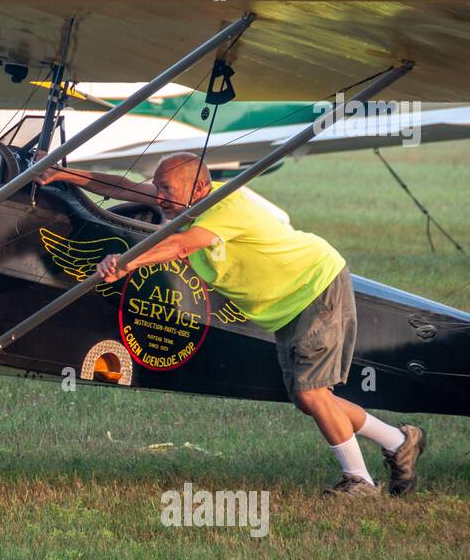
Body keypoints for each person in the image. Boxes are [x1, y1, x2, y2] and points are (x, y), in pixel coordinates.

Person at [39, 153, 425, 497]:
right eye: (157, 186)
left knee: (312, 395)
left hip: (314, 286)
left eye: (166, 189)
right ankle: (398, 441)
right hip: (287, 302)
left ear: (201, 187)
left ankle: (359, 482)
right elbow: (123, 186)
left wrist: (126, 262)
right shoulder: (184, 197)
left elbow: (181, 246)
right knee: (310, 399)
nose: (158, 197)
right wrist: (63, 173)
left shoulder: (226, 205)